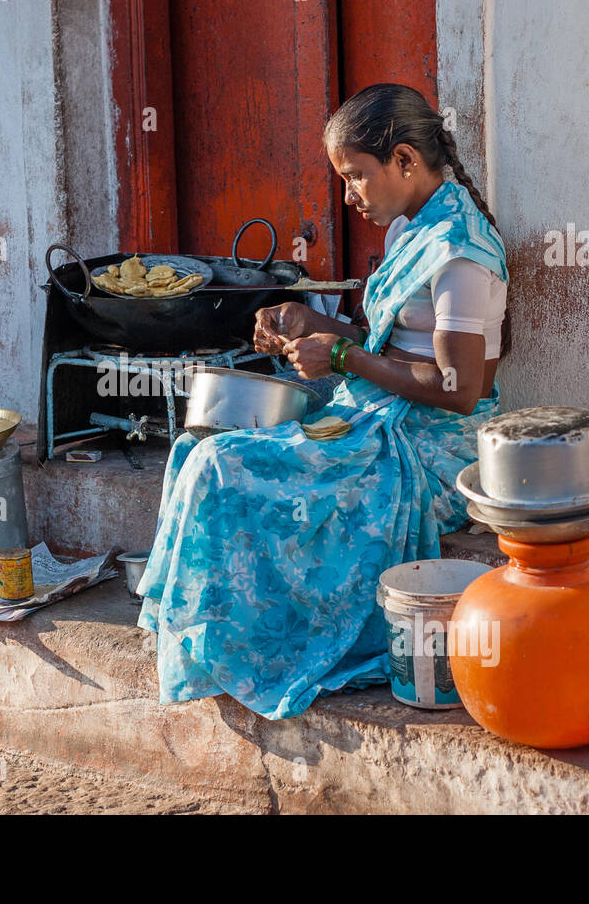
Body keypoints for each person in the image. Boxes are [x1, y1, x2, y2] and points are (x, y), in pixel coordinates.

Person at [135, 83, 509, 720]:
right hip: (381, 414)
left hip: (437, 448)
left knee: (222, 467)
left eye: (356, 177)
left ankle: (255, 648)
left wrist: (342, 360)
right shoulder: (412, 230)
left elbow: (458, 388)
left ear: (405, 160)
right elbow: (388, 346)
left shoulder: (461, 254)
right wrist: (316, 323)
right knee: (200, 449)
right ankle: (226, 639)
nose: (348, 195)